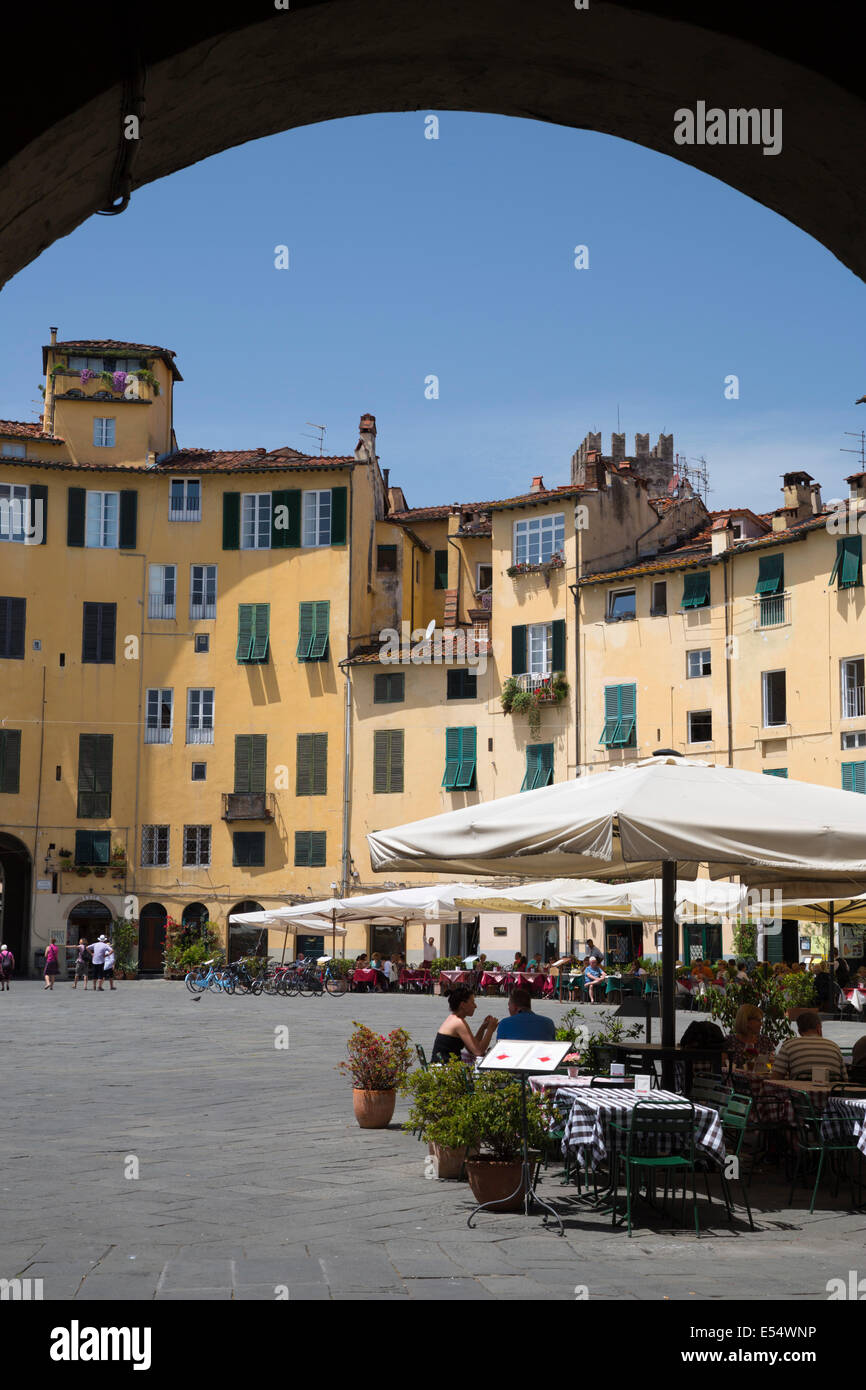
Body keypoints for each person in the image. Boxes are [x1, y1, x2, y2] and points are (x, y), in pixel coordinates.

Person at [771, 1011, 847, 1081]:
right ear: (819, 1028)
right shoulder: (834, 1047)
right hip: (831, 1095)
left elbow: (775, 1078)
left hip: (799, 1095)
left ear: (800, 1031)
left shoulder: (789, 1046)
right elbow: (845, 1080)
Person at [430, 986, 498, 1063]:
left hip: (441, 1067)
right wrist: (490, 1030)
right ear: (463, 1005)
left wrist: (483, 1028)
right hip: (443, 1070)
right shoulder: (459, 1023)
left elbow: (472, 1048)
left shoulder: (454, 1018)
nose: (475, 1006)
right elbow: (478, 1051)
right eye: (472, 1002)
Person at [724, 1004, 774, 1069]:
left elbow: (772, 1065)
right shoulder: (729, 1041)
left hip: (761, 1078)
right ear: (746, 1021)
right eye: (758, 1020)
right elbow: (722, 1068)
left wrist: (769, 1066)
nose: (761, 1024)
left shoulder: (765, 1041)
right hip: (736, 1078)